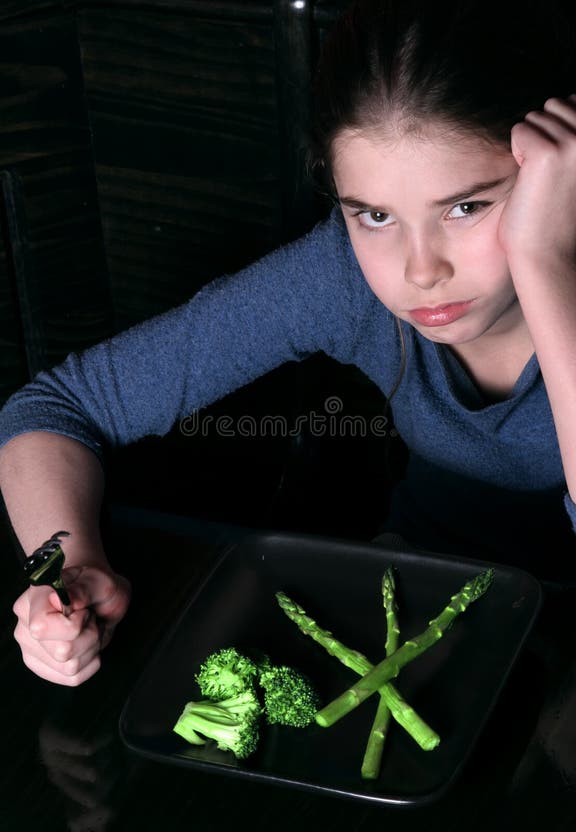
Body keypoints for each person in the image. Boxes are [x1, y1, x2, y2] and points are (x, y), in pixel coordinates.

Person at [1, 0, 576, 686]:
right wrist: (71, 569)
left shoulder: (549, 254)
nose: (422, 271)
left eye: (467, 206)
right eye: (375, 214)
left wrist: (544, 262)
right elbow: (54, 409)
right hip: (420, 626)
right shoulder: (344, 274)